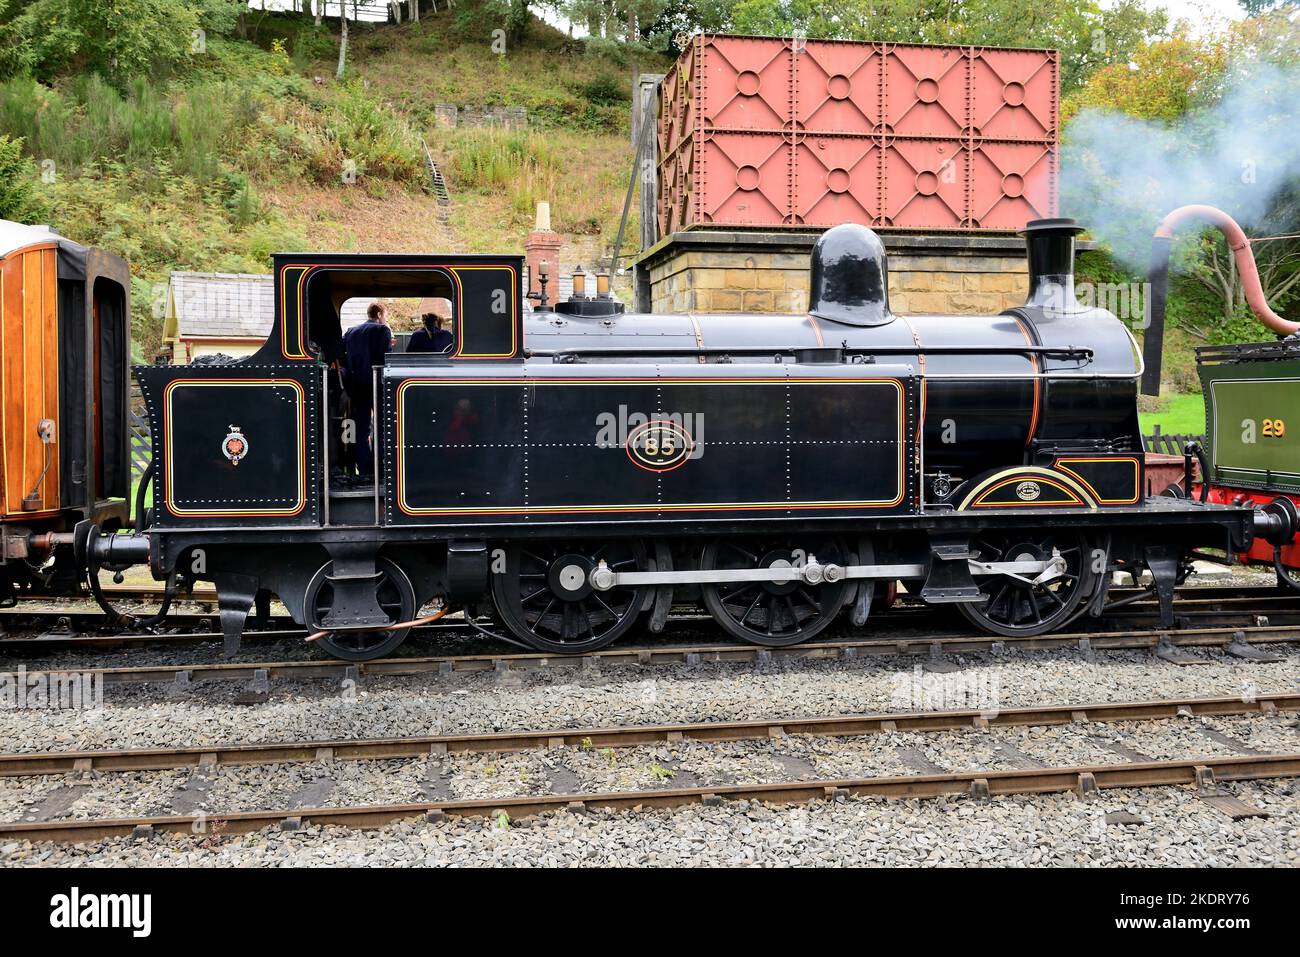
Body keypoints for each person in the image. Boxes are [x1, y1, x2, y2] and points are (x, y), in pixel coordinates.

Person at [341, 301, 392, 478]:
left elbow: (343, 356)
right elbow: (385, 358)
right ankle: (382, 467)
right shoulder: (382, 330)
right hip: (377, 383)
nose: (385, 319)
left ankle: (364, 468)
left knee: (361, 428)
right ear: (379, 314)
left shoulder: (351, 331)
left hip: (357, 385)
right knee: (383, 426)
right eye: (385, 315)